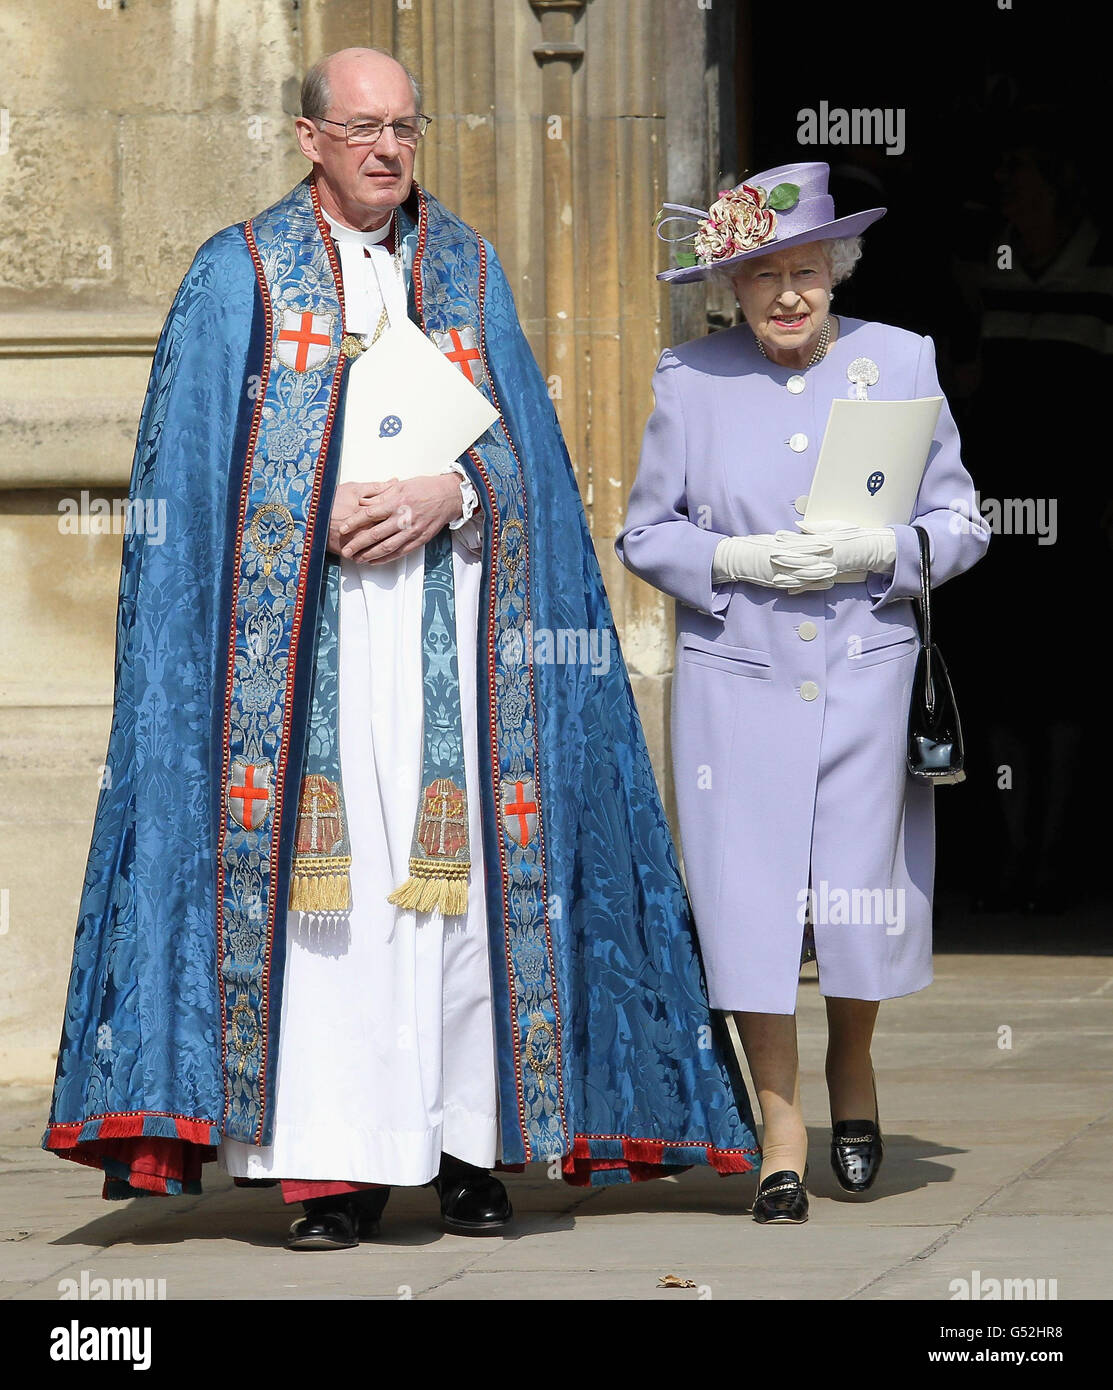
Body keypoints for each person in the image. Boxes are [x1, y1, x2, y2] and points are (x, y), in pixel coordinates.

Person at [43, 48, 758, 1251]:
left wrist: (453, 490)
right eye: (363, 127)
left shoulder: (470, 268)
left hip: (459, 646)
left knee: (464, 897)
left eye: (405, 128)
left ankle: (470, 1149)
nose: (387, 148)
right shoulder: (238, 276)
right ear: (310, 136)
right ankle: (331, 1169)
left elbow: (531, 455)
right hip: (310, 658)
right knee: (338, 917)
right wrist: (298, 508)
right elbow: (188, 483)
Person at [616, 162, 989, 1224]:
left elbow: (964, 520)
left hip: (867, 676)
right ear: (730, 288)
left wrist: (892, 544)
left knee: (856, 898)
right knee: (749, 901)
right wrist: (733, 565)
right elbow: (646, 530)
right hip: (738, 685)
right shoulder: (690, 377)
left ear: (838, 272)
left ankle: (853, 1071)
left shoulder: (901, 359)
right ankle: (782, 1129)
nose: (787, 295)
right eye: (763, 276)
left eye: (807, 272)